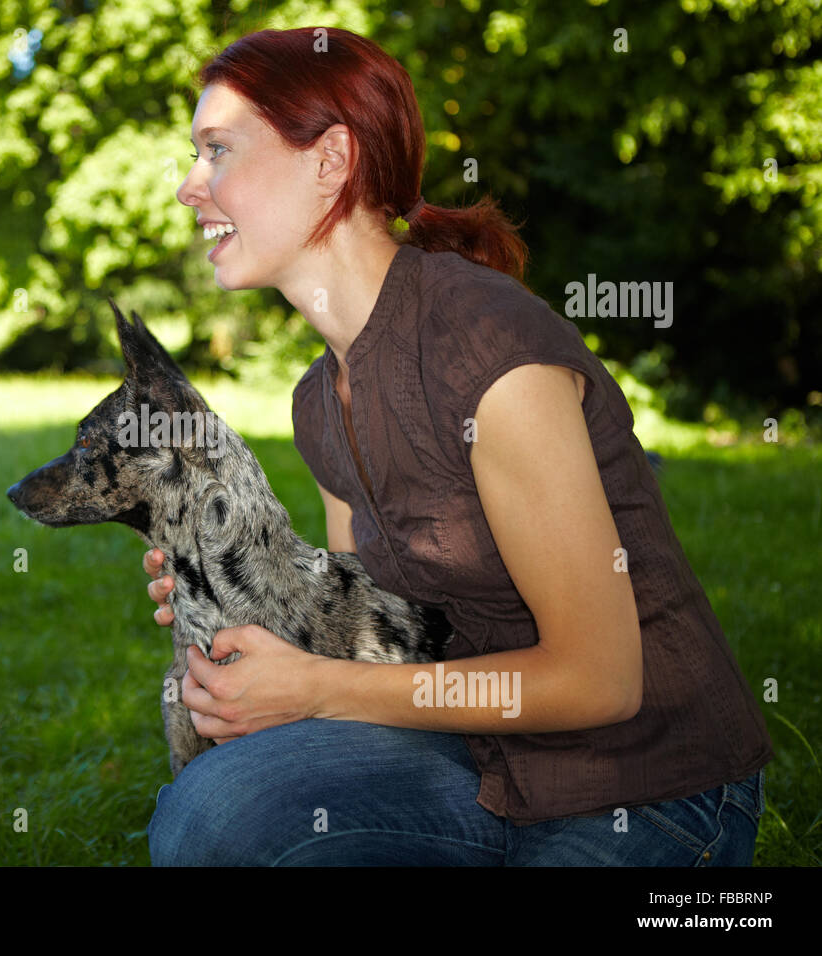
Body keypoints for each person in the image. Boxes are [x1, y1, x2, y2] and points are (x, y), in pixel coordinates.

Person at [144, 26, 772, 866]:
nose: (190, 187)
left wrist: (319, 691)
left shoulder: (482, 344)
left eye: (216, 150)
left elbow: (602, 680)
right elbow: (383, 630)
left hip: (648, 787)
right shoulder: (318, 402)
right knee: (213, 814)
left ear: (331, 159)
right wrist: (244, 596)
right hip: (476, 760)